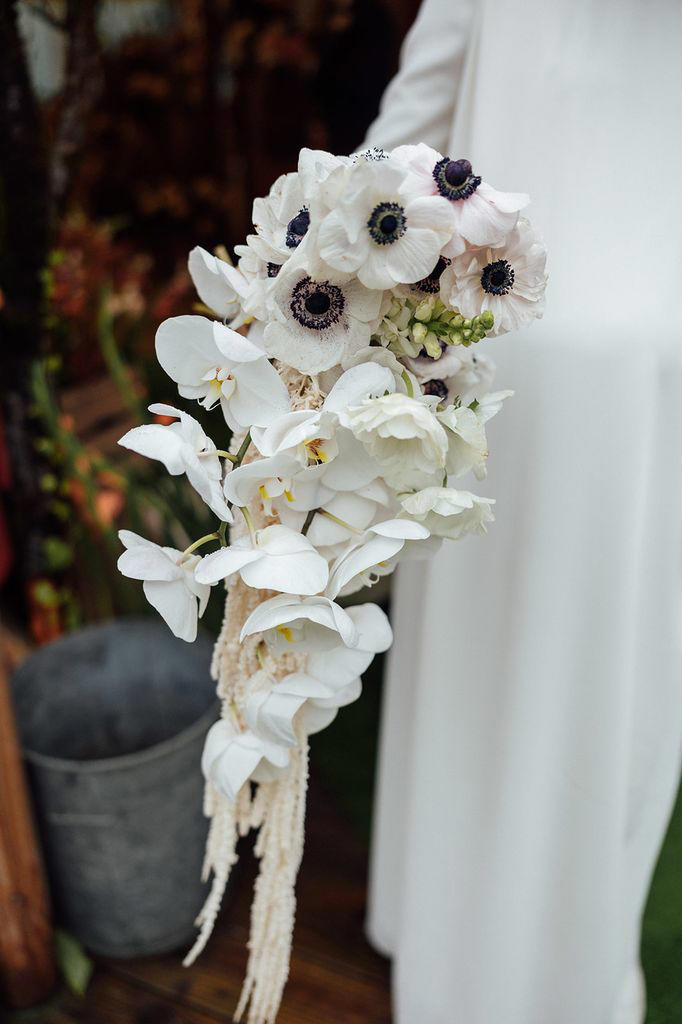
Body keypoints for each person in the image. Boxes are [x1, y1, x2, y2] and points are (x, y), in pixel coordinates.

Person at [360, 2, 682, 1022]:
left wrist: (325, 246)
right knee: (577, 674)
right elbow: (403, 134)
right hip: (538, 345)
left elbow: (406, 124)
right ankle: (523, 960)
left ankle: (476, 940)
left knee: (532, 663)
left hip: (539, 341)